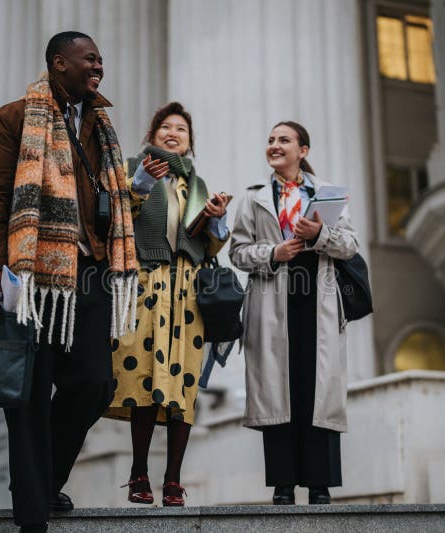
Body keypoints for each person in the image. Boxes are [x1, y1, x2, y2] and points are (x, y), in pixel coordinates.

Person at [0, 32, 138, 533]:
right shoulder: (11, 118)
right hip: (29, 275)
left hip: (88, 275)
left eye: (102, 59)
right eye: (90, 59)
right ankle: (33, 517)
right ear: (59, 62)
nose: (99, 67)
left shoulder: (100, 125)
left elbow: (114, 195)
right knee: (28, 394)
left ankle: (38, 483)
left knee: (94, 383)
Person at [105, 102, 230, 507]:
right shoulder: (131, 169)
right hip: (146, 285)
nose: (173, 133)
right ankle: (139, 472)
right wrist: (138, 185)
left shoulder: (195, 185)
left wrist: (216, 220)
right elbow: (115, 219)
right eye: (166, 127)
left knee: (184, 386)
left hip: (187, 291)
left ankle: (173, 479)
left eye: (181, 129)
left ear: (189, 141)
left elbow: (204, 245)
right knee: (143, 376)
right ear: (152, 134)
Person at [229, 121, 358, 505]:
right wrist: (273, 252)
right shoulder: (253, 198)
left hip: (317, 300)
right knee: (279, 389)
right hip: (272, 300)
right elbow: (236, 252)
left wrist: (318, 236)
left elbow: (349, 245)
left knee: (315, 390)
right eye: (270, 139)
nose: (274, 145)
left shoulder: (327, 195)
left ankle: (320, 484)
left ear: (303, 150)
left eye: (283, 140)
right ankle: (283, 484)